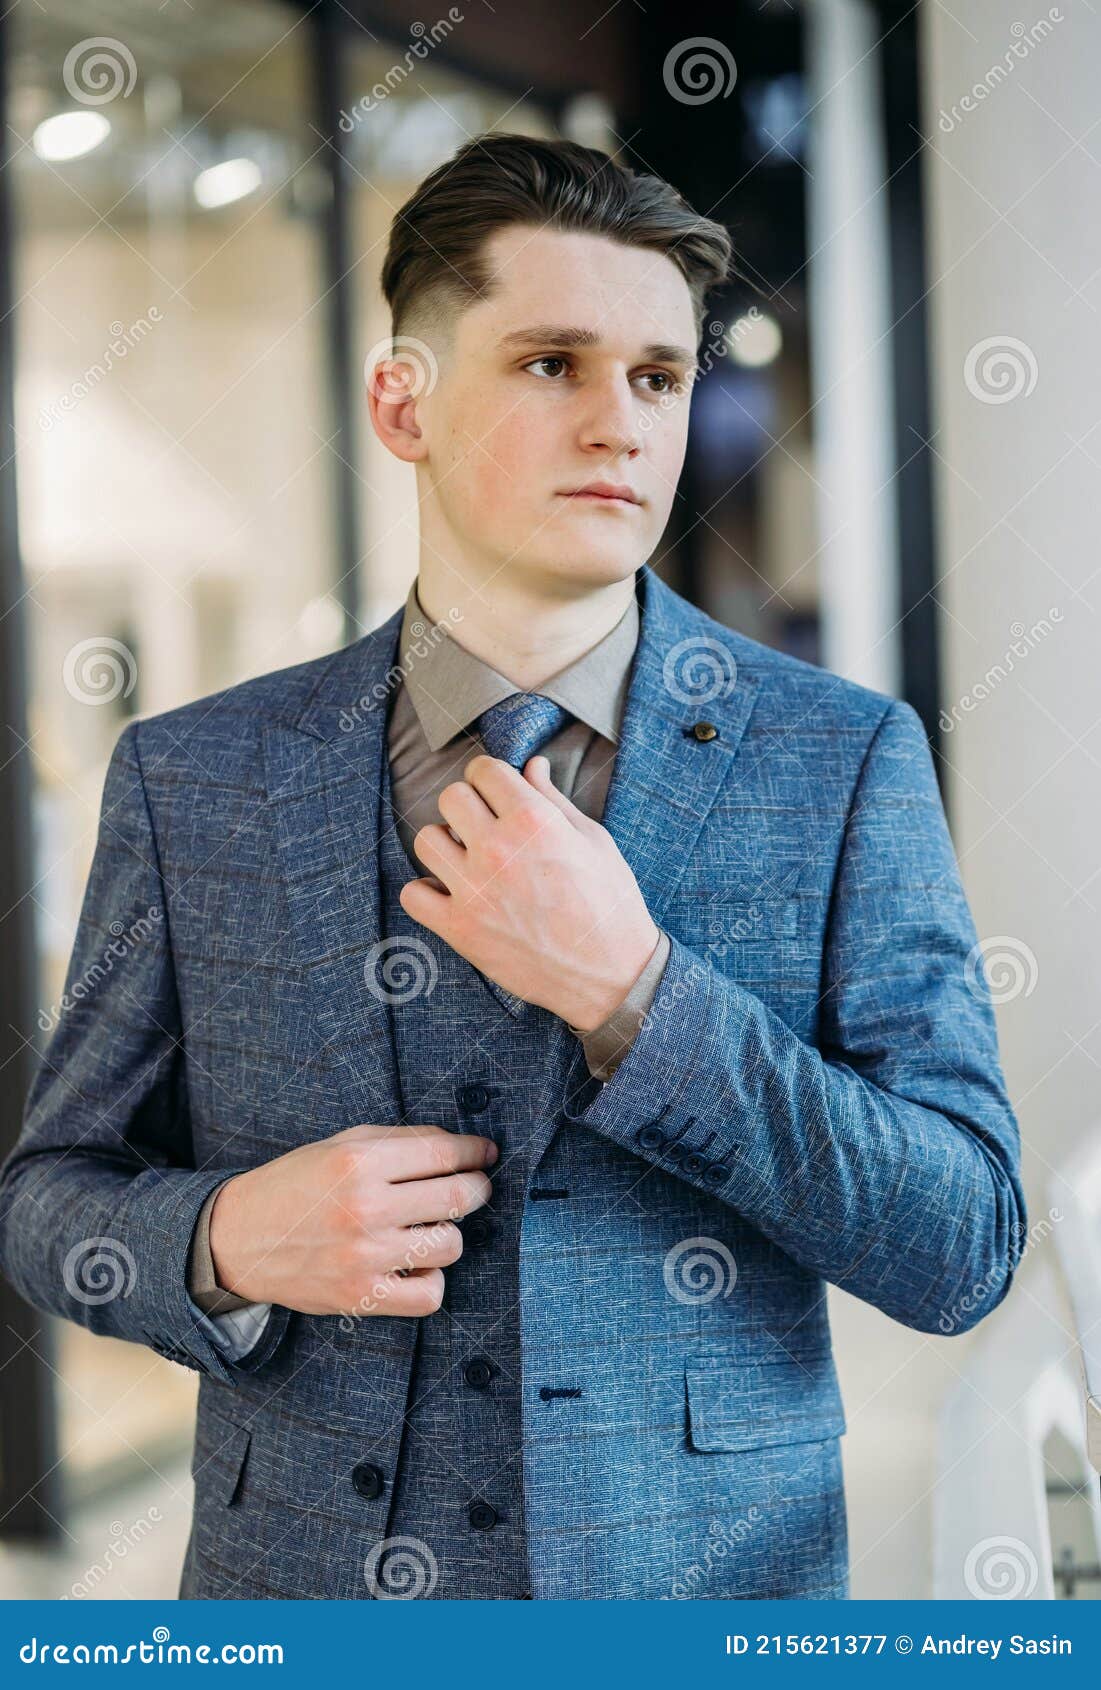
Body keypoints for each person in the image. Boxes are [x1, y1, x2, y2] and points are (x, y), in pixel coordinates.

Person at [0, 133, 1025, 1602]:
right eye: (552, 363)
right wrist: (225, 1233)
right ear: (399, 401)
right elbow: (51, 1199)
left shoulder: (842, 759)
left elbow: (963, 1241)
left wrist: (638, 996)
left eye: (659, 376)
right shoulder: (193, 776)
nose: (620, 423)